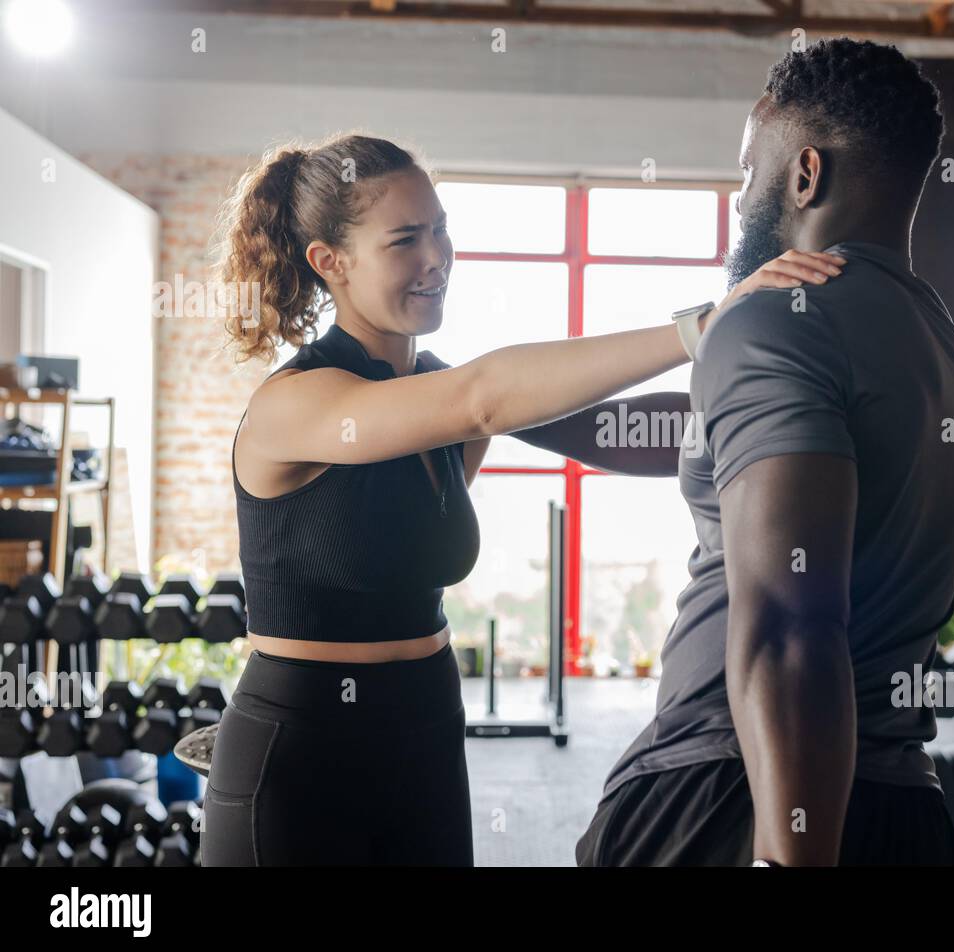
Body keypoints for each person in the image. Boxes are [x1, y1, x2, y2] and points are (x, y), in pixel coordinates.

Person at [198, 131, 844, 865]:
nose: (437, 258)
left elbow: (619, 426)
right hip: (300, 747)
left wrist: (792, 416)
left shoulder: (434, 395)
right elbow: (485, 399)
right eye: (405, 240)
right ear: (330, 262)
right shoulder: (295, 406)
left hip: (426, 727)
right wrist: (702, 324)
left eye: (441, 230)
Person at [577, 38, 954, 867]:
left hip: (739, 792)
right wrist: (492, 409)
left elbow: (793, 628)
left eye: (745, 171)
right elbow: (696, 440)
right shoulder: (941, 347)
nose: (738, 200)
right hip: (899, 801)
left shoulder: (776, 317)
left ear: (805, 175)